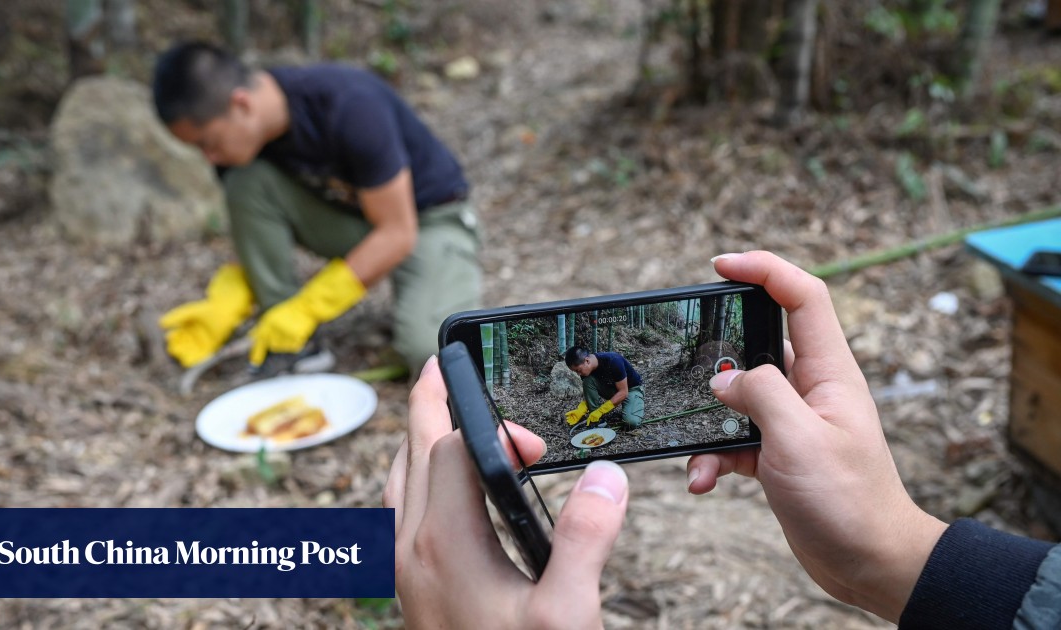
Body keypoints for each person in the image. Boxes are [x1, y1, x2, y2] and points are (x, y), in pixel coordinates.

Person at [383, 251, 1061, 629]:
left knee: (624, 419)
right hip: (991, 592)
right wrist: (882, 556)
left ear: (589, 358)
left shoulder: (611, 365)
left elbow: (615, 395)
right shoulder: (581, 375)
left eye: (581, 366)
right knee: (582, 420)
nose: (582, 371)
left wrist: (603, 416)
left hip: (632, 394)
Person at [151, 42, 481, 373]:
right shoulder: (239, 150)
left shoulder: (349, 105)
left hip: (427, 222)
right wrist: (226, 299)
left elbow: (398, 233)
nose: (208, 158)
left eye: (207, 143)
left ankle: (304, 319)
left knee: (435, 354)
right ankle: (289, 342)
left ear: (241, 104)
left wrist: (309, 308)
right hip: (355, 219)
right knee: (245, 182)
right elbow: (253, 227)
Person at [563, 346, 645, 428]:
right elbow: (590, 391)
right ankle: (595, 418)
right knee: (588, 380)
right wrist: (581, 409)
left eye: (578, 370)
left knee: (631, 422)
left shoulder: (613, 361)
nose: (578, 374)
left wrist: (601, 411)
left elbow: (623, 392)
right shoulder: (586, 372)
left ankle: (634, 403)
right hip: (611, 387)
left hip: (631, 389)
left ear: (587, 361)